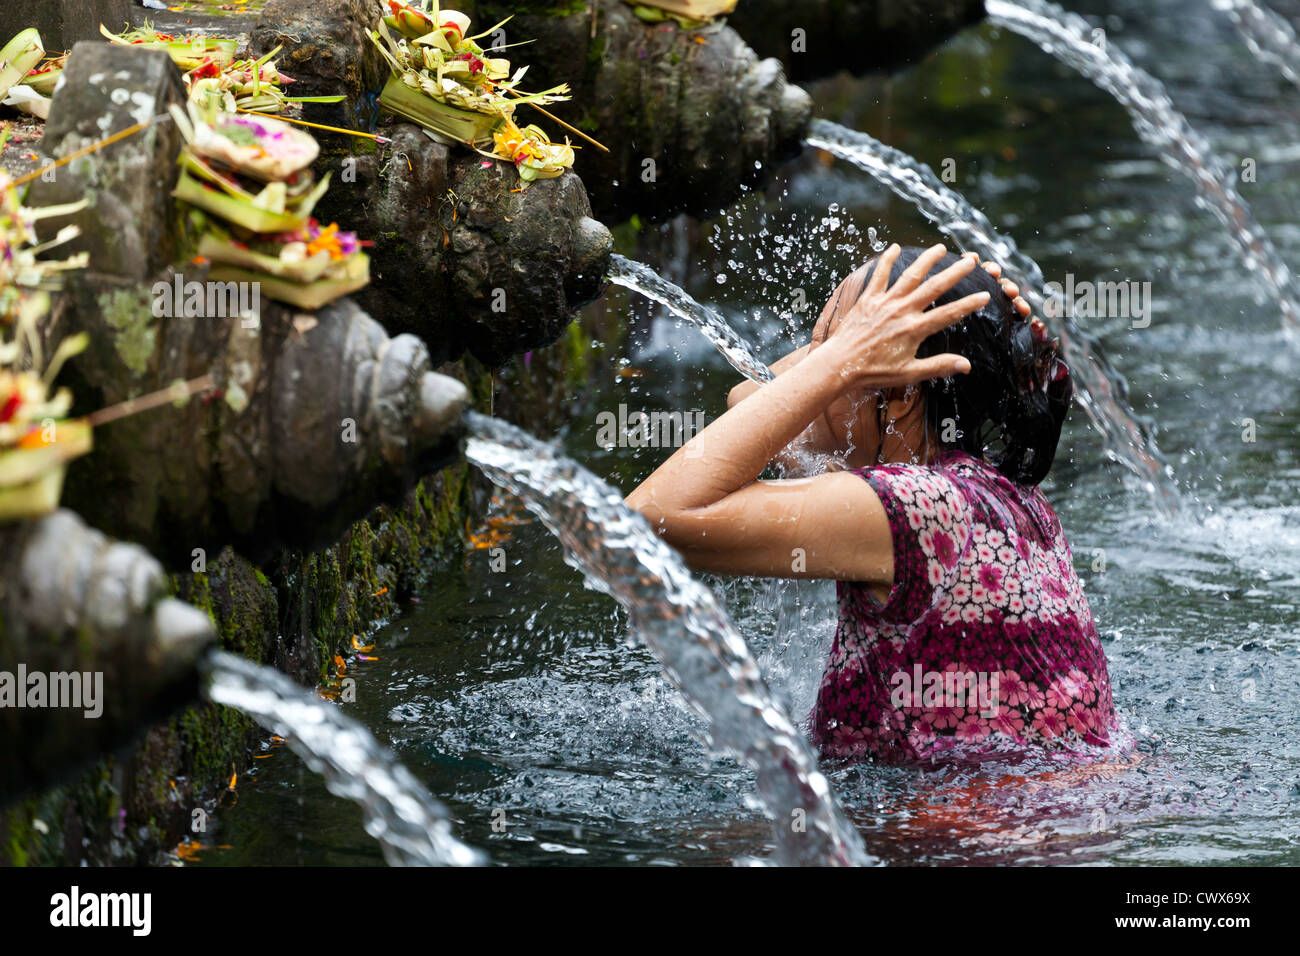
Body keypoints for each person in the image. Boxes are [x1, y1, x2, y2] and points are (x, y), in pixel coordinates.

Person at [625, 243, 1117, 763]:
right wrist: (850, 349)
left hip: (960, 828)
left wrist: (843, 355)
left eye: (844, 358)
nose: (821, 373)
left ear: (902, 393)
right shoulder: (998, 491)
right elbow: (750, 400)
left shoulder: (918, 505)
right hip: (1020, 819)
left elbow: (646, 519)